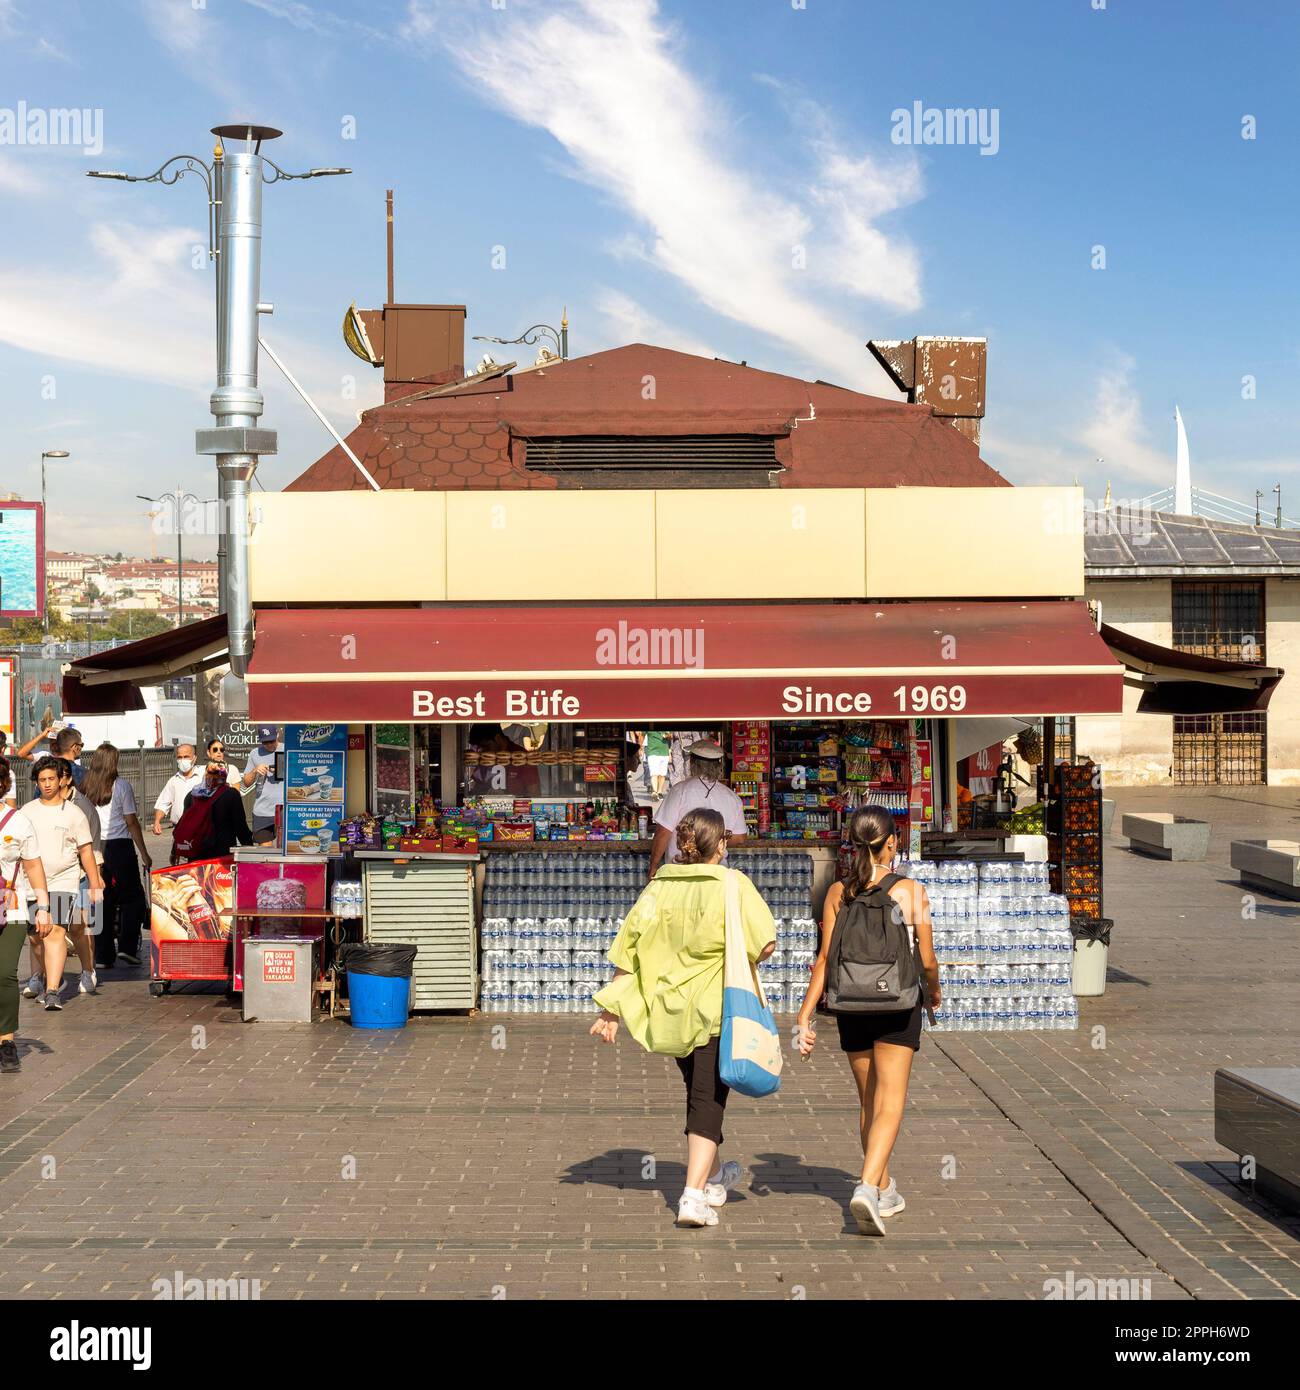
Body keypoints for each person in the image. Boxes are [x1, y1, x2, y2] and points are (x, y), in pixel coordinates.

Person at [590, 807, 777, 1229]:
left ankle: (711, 1178)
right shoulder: (732, 884)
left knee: (698, 1090)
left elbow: (627, 952)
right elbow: (765, 945)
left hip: (670, 1012)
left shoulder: (659, 888)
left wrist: (611, 1008)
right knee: (708, 1101)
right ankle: (692, 1197)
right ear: (721, 846)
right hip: (714, 1011)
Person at [794, 807, 941, 1236]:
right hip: (898, 1003)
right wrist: (933, 990)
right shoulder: (911, 891)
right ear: (892, 842)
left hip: (851, 1005)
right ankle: (867, 1187)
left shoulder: (839, 892)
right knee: (890, 1103)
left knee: (868, 1102)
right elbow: (928, 960)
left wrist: (804, 1018)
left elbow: (824, 960)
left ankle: (882, 1186)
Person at [17, 755, 100, 1010]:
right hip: (32, 883)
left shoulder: (74, 813)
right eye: (42, 780)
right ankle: (44, 976)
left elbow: (86, 850)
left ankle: (52, 991)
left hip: (65, 880)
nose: (48, 784)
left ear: (60, 780)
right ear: (37, 783)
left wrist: (95, 882)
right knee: (36, 937)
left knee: (56, 932)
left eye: (51, 778)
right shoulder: (27, 812)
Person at [0, 758, 55, 1073]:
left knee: (5, 973)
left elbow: (33, 866)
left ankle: (6, 1041)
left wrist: (44, 907)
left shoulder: (17, 821)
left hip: (12, 906)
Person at [83, 744, 152, 969]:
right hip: (120, 846)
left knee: (102, 899)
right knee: (133, 897)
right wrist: (144, 852)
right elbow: (131, 821)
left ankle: (103, 955)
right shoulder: (121, 785)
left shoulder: (86, 785)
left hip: (94, 846)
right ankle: (127, 947)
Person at [648, 739, 747, 879]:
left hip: (680, 873)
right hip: (717, 874)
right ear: (719, 766)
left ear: (692, 764)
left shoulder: (680, 791)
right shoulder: (732, 797)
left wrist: (653, 866)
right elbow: (740, 838)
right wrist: (711, 839)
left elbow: (663, 832)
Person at [173, 759, 253, 862]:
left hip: (196, 852)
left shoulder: (193, 794)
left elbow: (183, 823)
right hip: (221, 855)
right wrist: (250, 848)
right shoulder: (231, 794)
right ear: (225, 775)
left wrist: (174, 851)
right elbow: (240, 826)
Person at [242, 725, 284, 845]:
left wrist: (282, 769)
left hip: (285, 808)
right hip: (263, 810)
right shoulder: (255, 753)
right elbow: (246, 782)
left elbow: (299, 775)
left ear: (277, 735)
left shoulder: (288, 749)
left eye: (271, 741)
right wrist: (255, 770)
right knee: (265, 853)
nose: (269, 745)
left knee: (286, 850)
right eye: (265, 742)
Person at [152, 744, 203, 836]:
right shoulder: (173, 781)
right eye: (180, 757)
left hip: (200, 829)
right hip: (179, 829)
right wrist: (157, 821)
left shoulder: (203, 777)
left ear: (194, 758)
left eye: (186, 757)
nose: (183, 760)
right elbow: (163, 804)